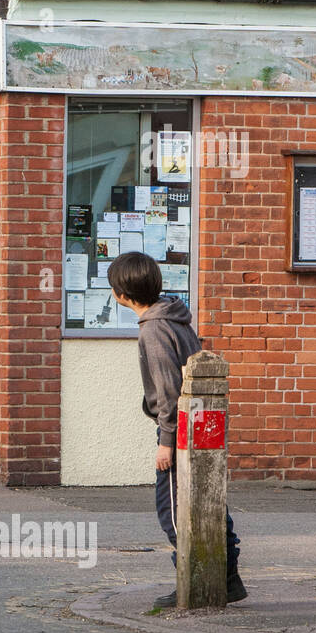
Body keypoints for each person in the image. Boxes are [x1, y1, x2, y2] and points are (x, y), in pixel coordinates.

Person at [108, 251, 245, 608]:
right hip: (202, 422)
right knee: (208, 500)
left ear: (122, 293)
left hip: (180, 428)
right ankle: (228, 578)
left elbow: (169, 392)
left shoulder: (153, 330)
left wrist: (166, 442)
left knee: (173, 509)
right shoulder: (177, 317)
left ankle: (196, 578)